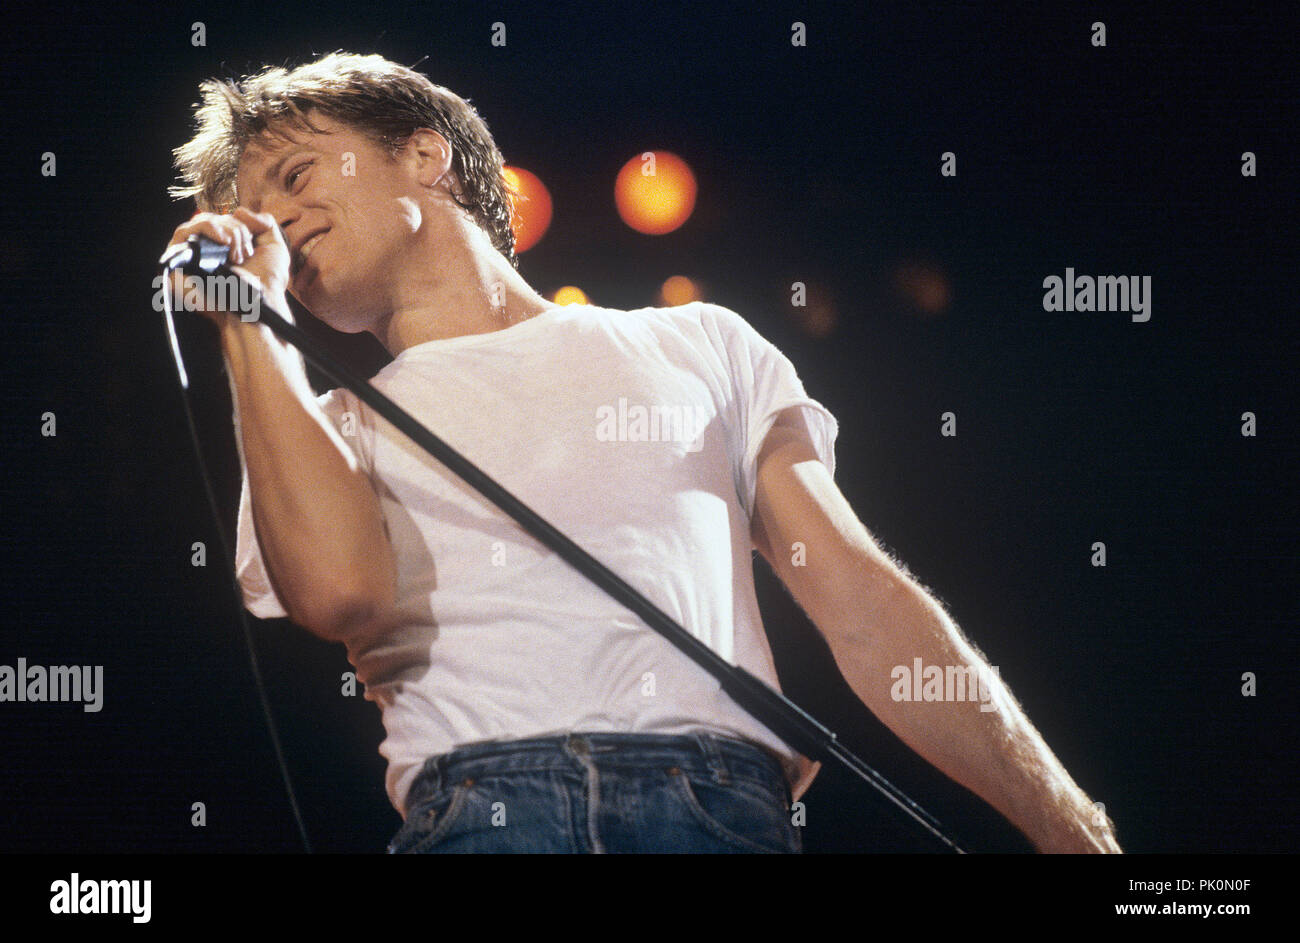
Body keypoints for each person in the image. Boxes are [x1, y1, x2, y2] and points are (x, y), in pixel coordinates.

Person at [164, 52, 1122, 854]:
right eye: (250, 215)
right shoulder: (318, 426)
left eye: (295, 178)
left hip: (717, 802)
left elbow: (863, 602)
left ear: (427, 155)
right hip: (482, 812)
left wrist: (1068, 823)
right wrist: (248, 322)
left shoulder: (699, 343)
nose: (274, 224)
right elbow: (341, 595)